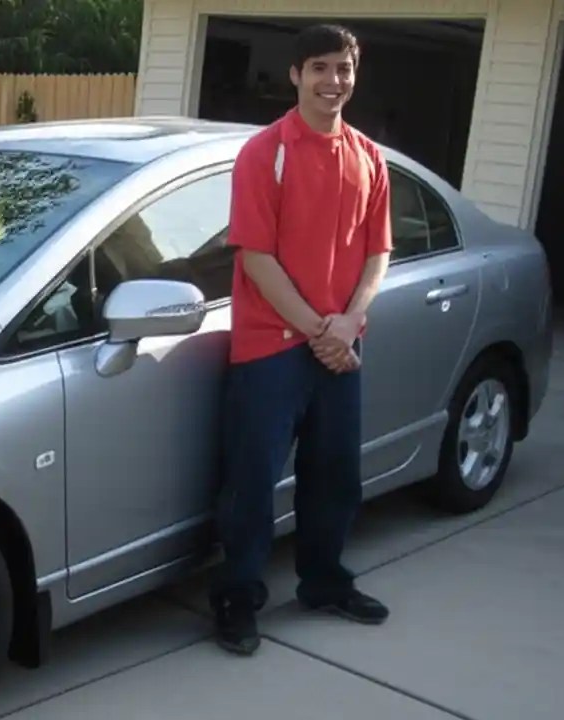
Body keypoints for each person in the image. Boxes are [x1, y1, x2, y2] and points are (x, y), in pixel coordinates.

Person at [210, 23, 394, 656]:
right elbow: (255, 257)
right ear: (295, 75)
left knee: (336, 476)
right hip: (270, 348)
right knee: (251, 483)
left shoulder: (370, 158)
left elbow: (378, 255)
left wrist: (349, 323)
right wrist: (322, 329)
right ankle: (237, 597)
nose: (333, 80)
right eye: (319, 68)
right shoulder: (265, 153)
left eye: (343, 68)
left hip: (340, 345)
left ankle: (323, 583)